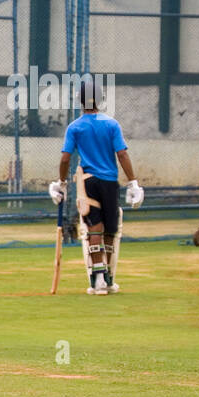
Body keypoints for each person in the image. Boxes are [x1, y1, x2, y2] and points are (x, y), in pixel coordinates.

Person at [49, 75, 143, 295]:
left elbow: (65, 158)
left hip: (88, 182)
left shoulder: (75, 127)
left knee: (94, 227)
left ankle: (100, 280)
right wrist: (133, 182)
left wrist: (61, 183)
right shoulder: (111, 124)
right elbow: (122, 154)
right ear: (99, 100)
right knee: (110, 229)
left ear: (80, 101)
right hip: (109, 181)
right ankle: (107, 278)